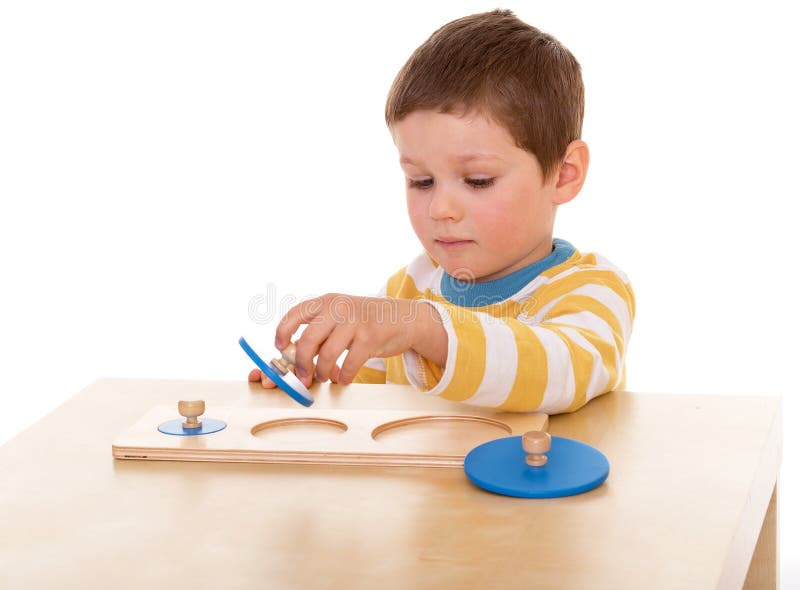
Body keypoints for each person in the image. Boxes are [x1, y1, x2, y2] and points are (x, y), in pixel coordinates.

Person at [249, 9, 635, 414]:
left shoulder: (592, 291)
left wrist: (423, 327)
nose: (440, 209)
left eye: (478, 180)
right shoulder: (410, 288)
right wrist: (314, 379)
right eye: (421, 181)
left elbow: (560, 372)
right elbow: (370, 410)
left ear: (563, 175)